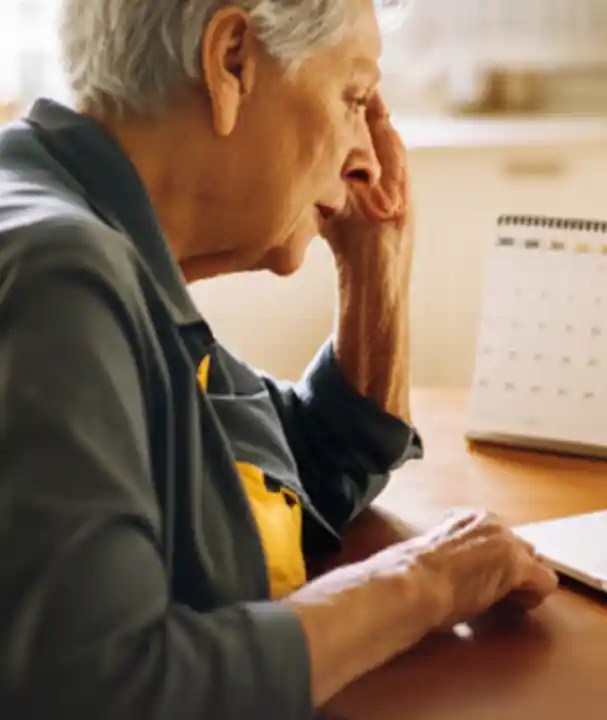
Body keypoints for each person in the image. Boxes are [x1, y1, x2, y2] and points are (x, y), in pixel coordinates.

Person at [0, 1, 559, 717]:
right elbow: (109, 690)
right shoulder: (58, 274)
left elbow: (292, 470)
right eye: (354, 98)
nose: (367, 154)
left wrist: (375, 268)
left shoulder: (103, 235)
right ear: (233, 61)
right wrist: (423, 581)